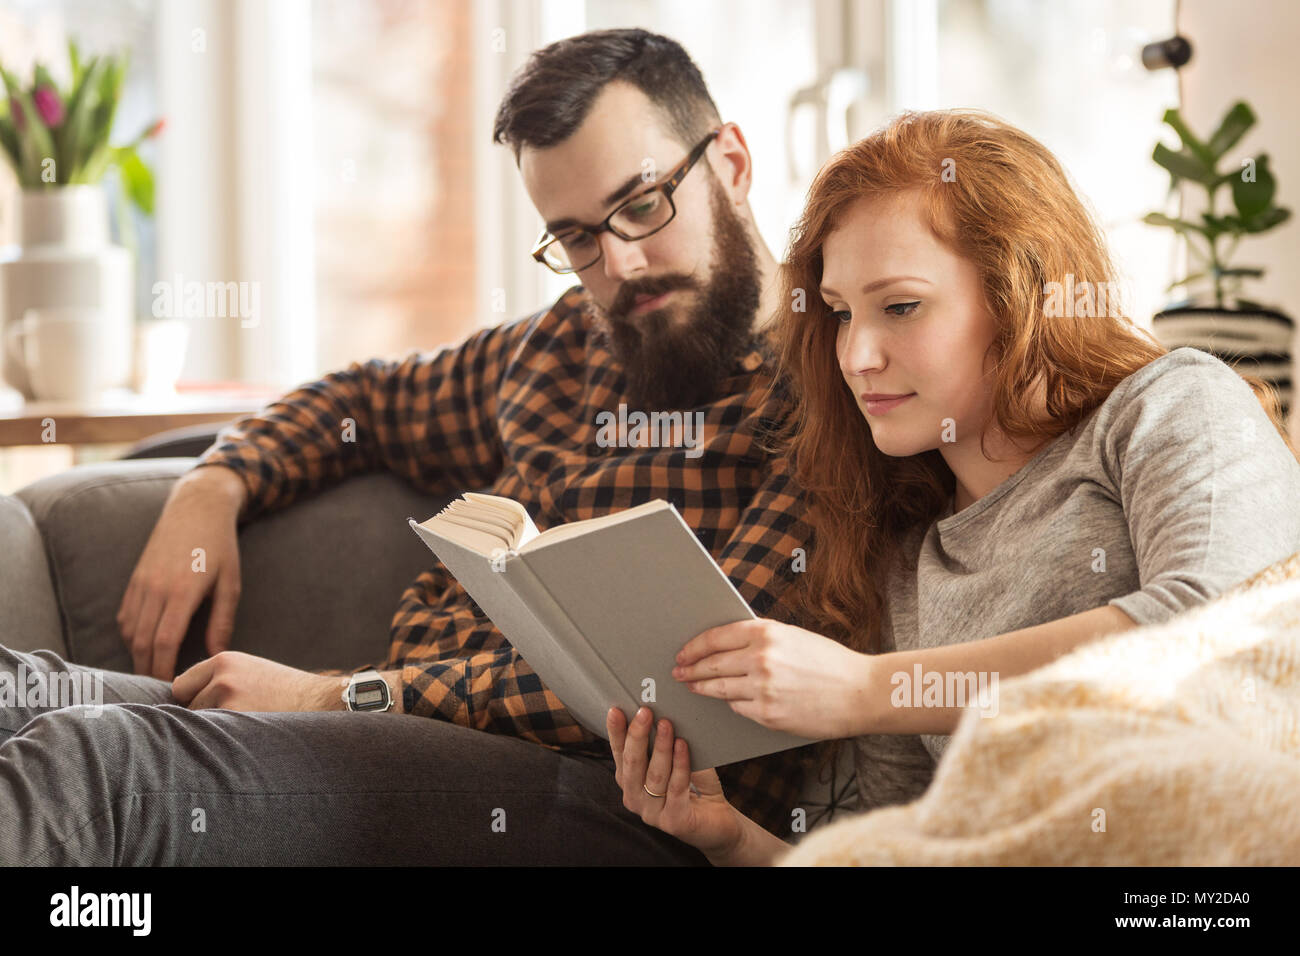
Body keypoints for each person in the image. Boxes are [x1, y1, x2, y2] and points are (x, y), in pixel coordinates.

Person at [0, 28, 817, 866]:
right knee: (16, 691)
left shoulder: (830, 389)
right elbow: (361, 401)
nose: (620, 266)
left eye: (643, 204)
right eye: (575, 239)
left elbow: (689, 690)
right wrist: (218, 482)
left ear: (733, 164)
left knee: (92, 769)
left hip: (622, 802)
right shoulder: (567, 346)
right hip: (410, 738)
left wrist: (339, 697)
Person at [607, 108, 1300, 867]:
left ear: (1020, 294)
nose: (857, 354)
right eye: (841, 314)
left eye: (900, 306)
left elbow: (1217, 628)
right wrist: (729, 837)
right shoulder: (910, 561)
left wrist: (869, 692)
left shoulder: (1172, 403)